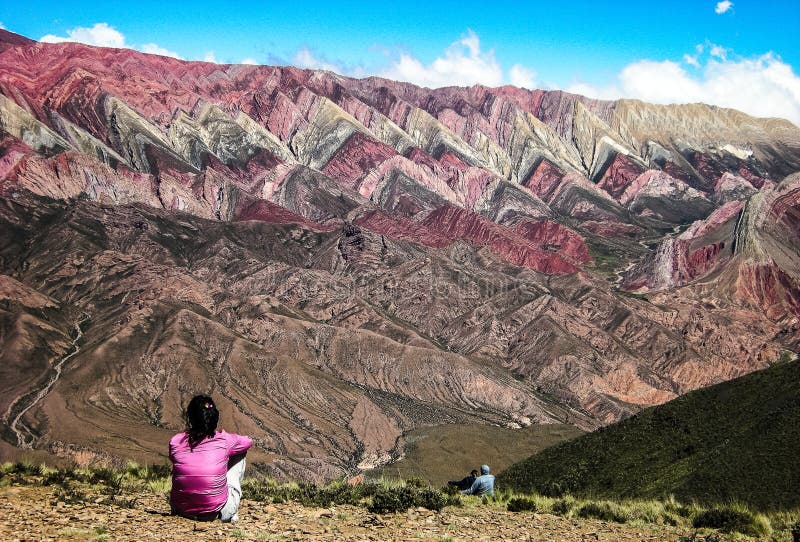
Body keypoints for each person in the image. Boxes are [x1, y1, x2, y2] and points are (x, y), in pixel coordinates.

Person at [169, 395, 252, 522]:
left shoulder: (175, 441)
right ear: (214, 417)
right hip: (216, 513)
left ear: (190, 417)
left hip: (180, 510)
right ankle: (230, 511)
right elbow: (247, 441)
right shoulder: (224, 440)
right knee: (240, 452)